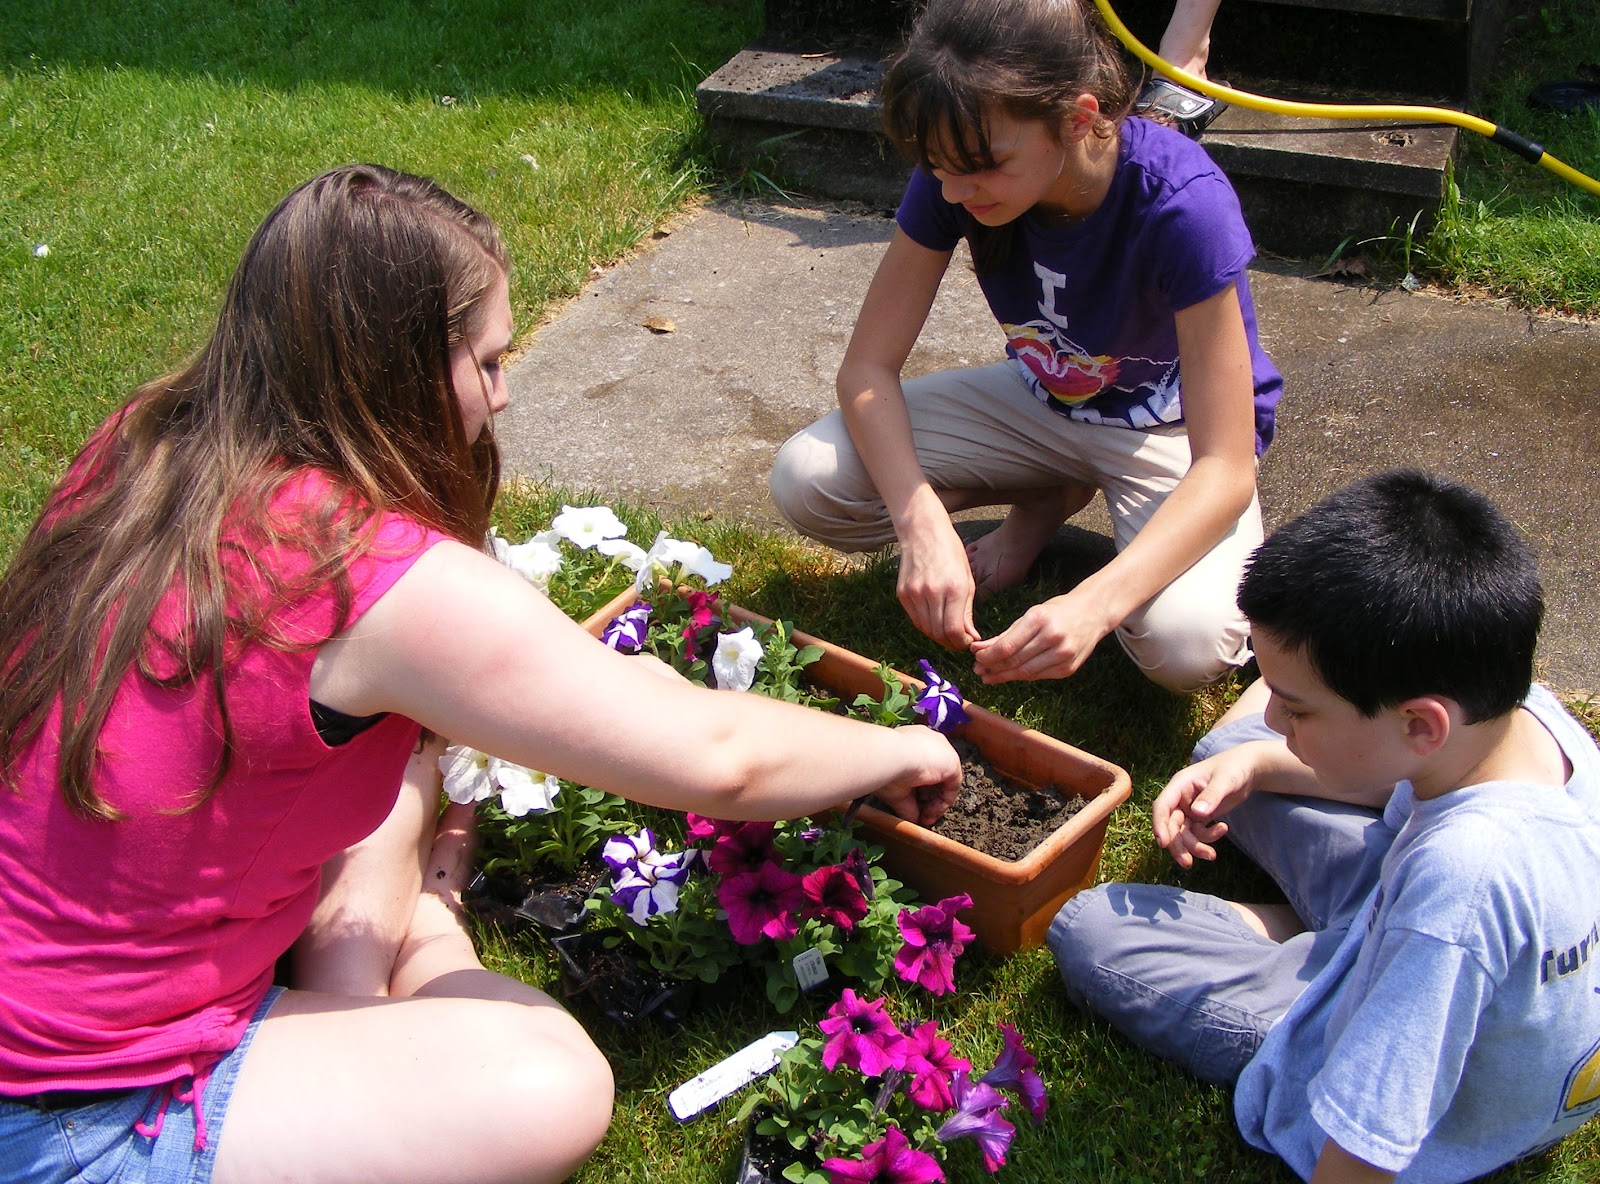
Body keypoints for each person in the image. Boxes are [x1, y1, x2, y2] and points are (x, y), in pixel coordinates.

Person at [0, 165, 962, 1184]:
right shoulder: (364, 574)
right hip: (77, 1110)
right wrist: (899, 744)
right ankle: (427, 938)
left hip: (54, 980)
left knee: (406, 750)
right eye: (489, 360)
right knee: (547, 1082)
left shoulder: (152, 449)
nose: (503, 392)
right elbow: (720, 757)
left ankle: (356, 985)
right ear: (401, 364)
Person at [1050, 469, 1600, 1182]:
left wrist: (1402, 939)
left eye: (1298, 708)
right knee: (1231, 756)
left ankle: (1322, 940)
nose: (1276, 717)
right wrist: (1257, 764)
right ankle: (1337, 918)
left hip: (1457, 1095)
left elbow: (1371, 1134)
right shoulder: (1526, 723)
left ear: (1421, 724)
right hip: (1478, 973)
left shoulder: (1459, 888)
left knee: (1093, 928)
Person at [768, 0, 1282, 694]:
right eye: (937, 166)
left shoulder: (1182, 204)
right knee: (808, 480)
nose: (954, 190)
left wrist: (1092, 604)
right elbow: (866, 368)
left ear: (1077, 117)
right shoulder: (959, 160)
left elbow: (1225, 468)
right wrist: (921, 523)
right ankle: (1050, 494)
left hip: (1170, 435)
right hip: (1042, 400)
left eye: (983, 167)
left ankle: (1067, 501)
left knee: (1184, 648)